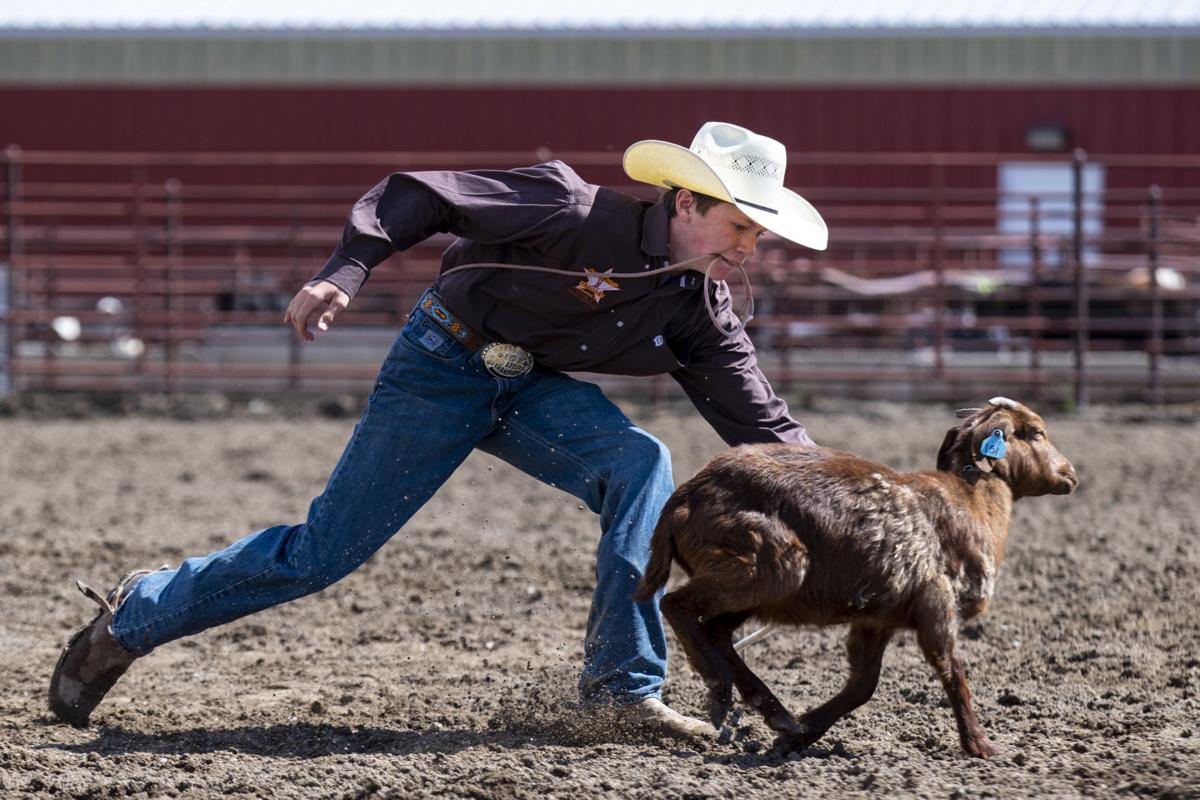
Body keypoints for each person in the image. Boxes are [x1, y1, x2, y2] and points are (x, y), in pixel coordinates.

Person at [48, 121, 828, 738]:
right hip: (441, 363)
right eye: (739, 225)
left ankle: (620, 690)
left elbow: (762, 421)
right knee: (323, 555)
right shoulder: (567, 206)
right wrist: (341, 270)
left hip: (526, 388)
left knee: (641, 465)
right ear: (685, 204)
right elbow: (421, 195)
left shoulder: (700, 312)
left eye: (757, 233)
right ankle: (139, 611)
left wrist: (841, 503)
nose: (750, 247)